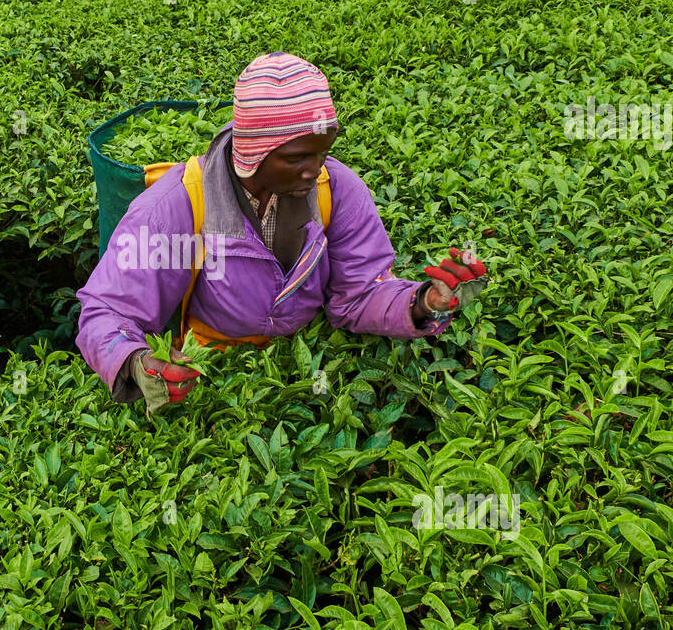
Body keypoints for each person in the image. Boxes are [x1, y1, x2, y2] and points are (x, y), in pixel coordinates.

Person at [76, 52, 489, 416]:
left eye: (322, 151)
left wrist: (422, 303)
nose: (314, 169)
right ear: (253, 151)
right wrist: (135, 361)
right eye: (296, 158)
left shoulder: (337, 190)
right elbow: (107, 312)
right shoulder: (174, 206)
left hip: (308, 368)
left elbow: (359, 294)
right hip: (214, 379)